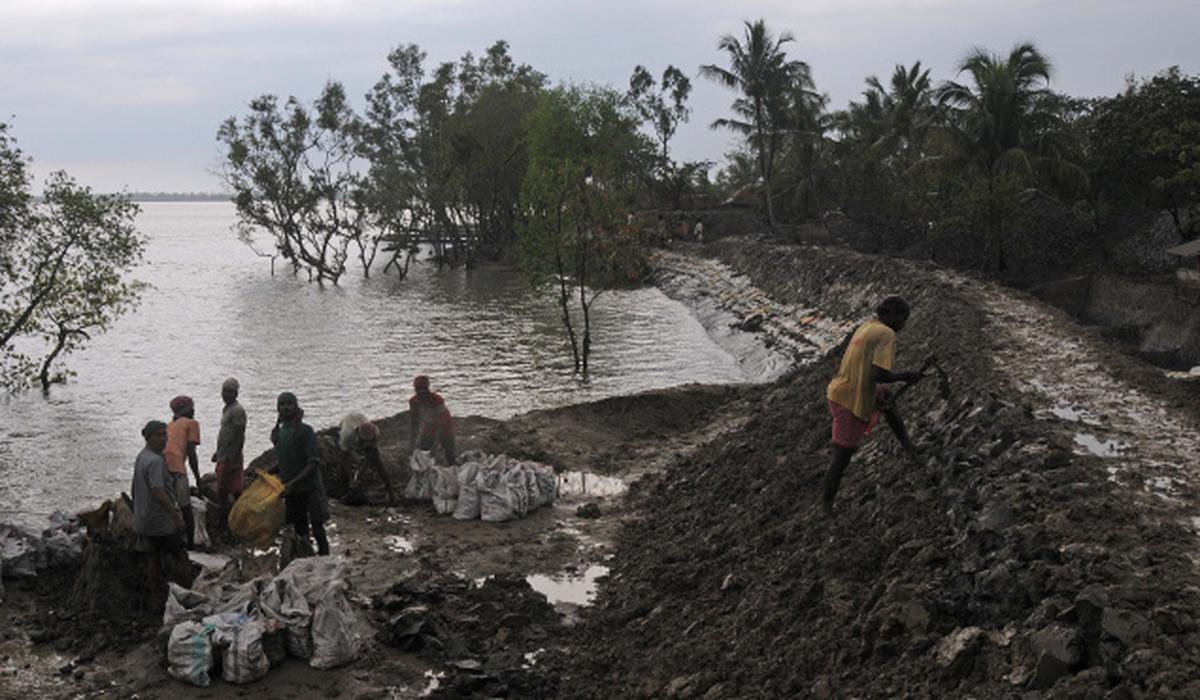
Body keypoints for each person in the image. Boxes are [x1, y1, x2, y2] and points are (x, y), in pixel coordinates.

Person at [822, 296, 924, 517]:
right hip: (849, 398)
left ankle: (909, 447)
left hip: (843, 387)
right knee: (842, 454)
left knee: (886, 400)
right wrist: (907, 376)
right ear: (892, 315)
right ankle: (826, 506)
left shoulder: (868, 326)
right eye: (903, 319)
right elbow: (880, 374)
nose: (903, 325)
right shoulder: (886, 334)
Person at [131, 420, 188, 611]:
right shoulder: (155, 461)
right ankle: (188, 593)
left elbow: (136, 488)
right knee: (179, 554)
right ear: (148, 438)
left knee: (153, 558)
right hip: (159, 520)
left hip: (143, 518)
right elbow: (157, 491)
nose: (163, 439)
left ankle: (156, 599)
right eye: (158, 435)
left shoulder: (142, 457)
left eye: (165, 435)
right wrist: (175, 515)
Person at [270, 392, 330, 556]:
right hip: (292, 490)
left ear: (296, 407)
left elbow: (312, 462)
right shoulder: (278, 434)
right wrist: (268, 473)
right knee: (299, 528)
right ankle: (306, 558)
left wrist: (293, 483)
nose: (286, 407)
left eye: (289, 404)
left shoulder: (305, 431)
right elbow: (285, 460)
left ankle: (325, 558)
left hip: (311, 487)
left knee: (317, 526)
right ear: (278, 409)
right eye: (282, 404)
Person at [338, 413, 398, 505]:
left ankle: (391, 493)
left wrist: (361, 472)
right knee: (342, 469)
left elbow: (369, 458)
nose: (367, 444)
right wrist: (352, 478)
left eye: (369, 441)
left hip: (359, 419)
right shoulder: (347, 436)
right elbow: (344, 459)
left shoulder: (375, 432)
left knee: (379, 465)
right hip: (347, 424)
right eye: (365, 442)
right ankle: (344, 493)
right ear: (358, 436)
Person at [165, 395, 201, 547]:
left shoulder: (169, 425)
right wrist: (198, 479)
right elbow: (191, 454)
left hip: (162, 465)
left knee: (168, 505)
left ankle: (170, 539)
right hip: (177, 467)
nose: (193, 410)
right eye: (191, 408)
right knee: (185, 506)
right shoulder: (192, 423)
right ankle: (191, 544)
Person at [212, 377, 247, 511]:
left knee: (227, 488)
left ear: (236, 394)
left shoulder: (237, 410)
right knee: (226, 486)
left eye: (229, 392)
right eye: (224, 391)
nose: (225, 395)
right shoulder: (227, 409)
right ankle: (230, 513)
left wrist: (233, 459)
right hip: (224, 453)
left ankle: (231, 514)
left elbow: (239, 435)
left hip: (231, 455)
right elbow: (225, 433)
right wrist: (218, 452)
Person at [408, 375, 457, 465]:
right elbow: (414, 422)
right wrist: (412, 443)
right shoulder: (413, 401)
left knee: (450, 454)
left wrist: (435, 447)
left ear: (428, 388)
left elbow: (441, 424)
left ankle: (454, 469)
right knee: (423, 452)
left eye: (424, 388)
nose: (421, 391)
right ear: (415, 389)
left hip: (446, 428)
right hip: (429, 427)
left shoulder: (437, 400)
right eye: (419, 389)